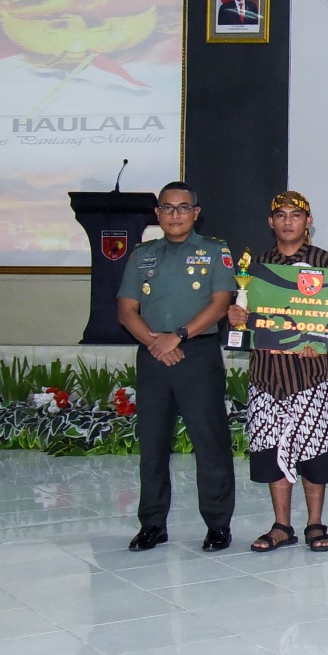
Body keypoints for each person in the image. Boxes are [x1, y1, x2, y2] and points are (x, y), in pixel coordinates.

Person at [116, 182, 236, 551]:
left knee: (210, 443)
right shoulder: (143, 254)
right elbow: (126, 310)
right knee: (152, 444)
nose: (175, 214)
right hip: (153, 355)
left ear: (196, 213)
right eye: (167, 208)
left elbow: (221, 303)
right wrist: (157, 342)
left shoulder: (214, 251)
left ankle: (217, 524)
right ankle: (152, 524)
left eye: (183, 207)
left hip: (197, 354)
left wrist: (179, 336)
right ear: (158, 213)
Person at [226, 190, 328, 554]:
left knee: (314, 452)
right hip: (267, 375)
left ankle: (314, 524)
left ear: (308, 221)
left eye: (296, 215)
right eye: (281, 215)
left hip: (310, 375)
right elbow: (243, 320)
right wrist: (236, 317)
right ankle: (281, 526)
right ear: (271, 222)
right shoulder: (255, 267)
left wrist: (322, 342)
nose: (288, 221)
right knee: (271, 450)